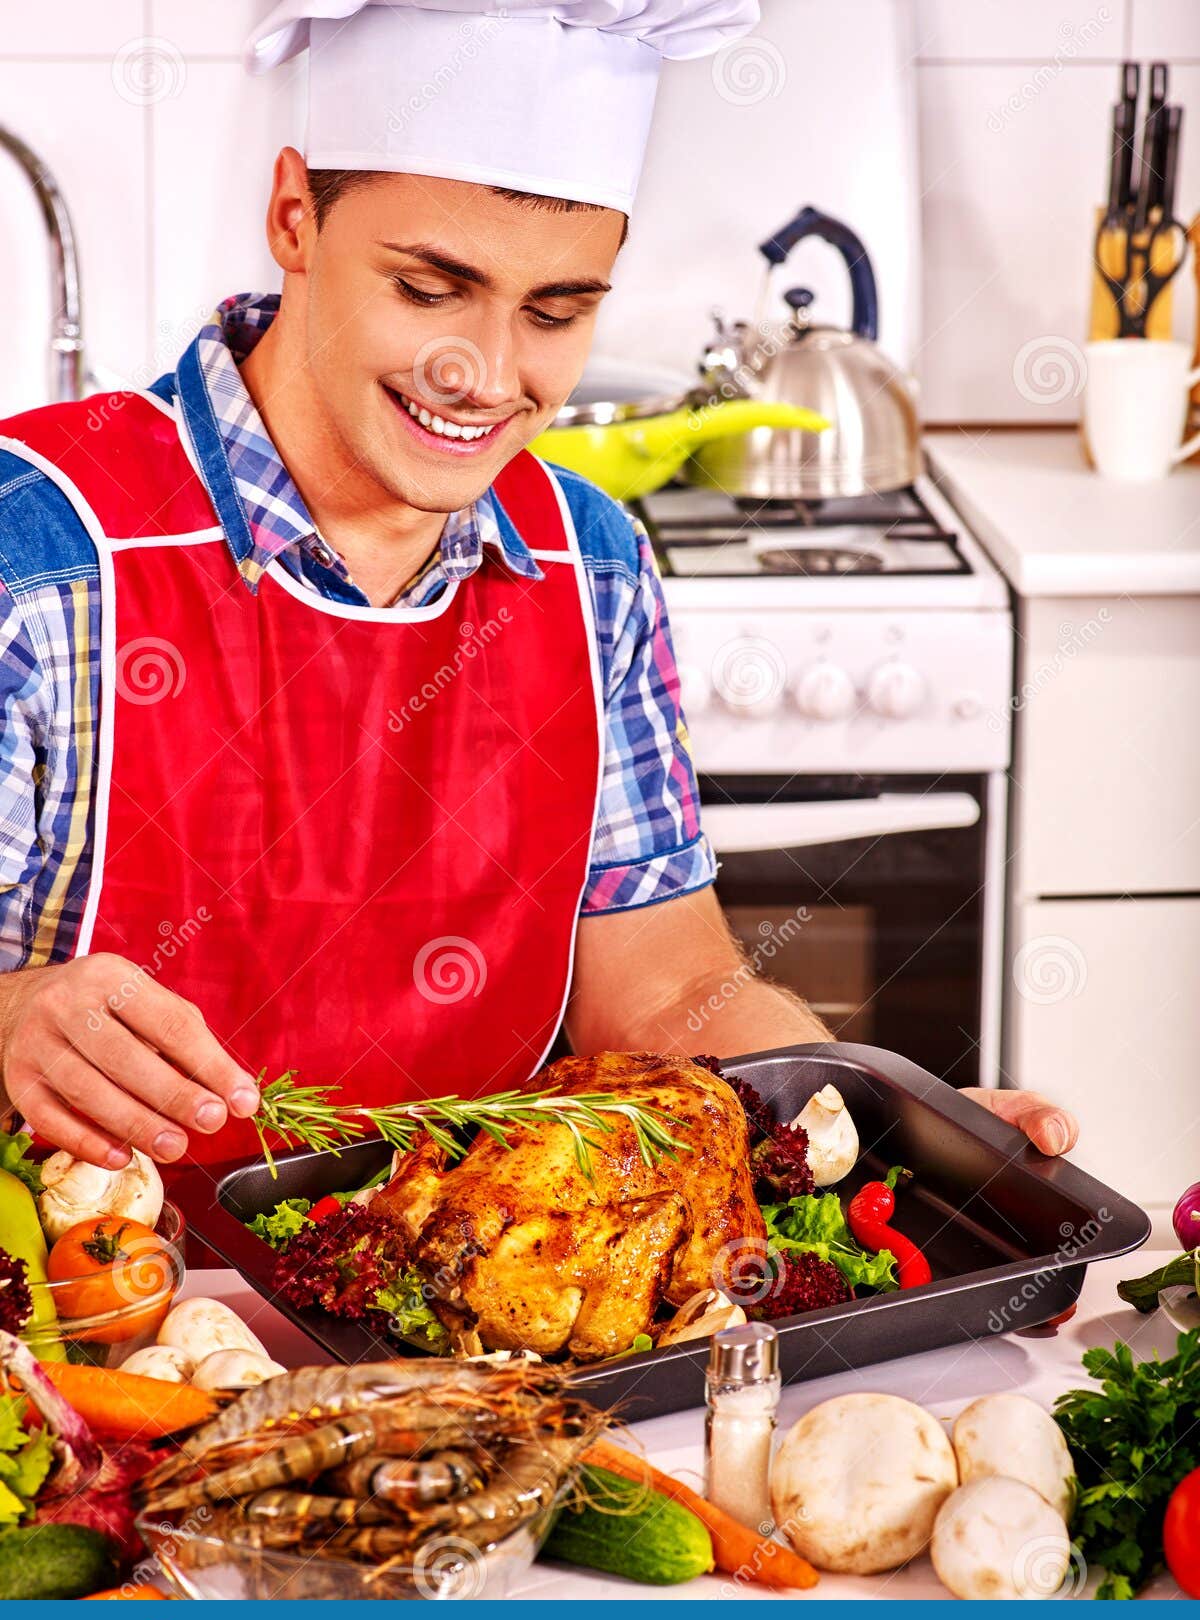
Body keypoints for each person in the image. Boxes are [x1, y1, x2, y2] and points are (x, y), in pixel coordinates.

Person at [0, 1, 1077, 1171]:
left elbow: (669, 994)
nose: (488, 376)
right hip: (97, 1316)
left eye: (557, 311)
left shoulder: (590, 565)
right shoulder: (43, 552)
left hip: (472, 1316)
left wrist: (888, 1125)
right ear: (294, 217)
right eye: (428, 289)